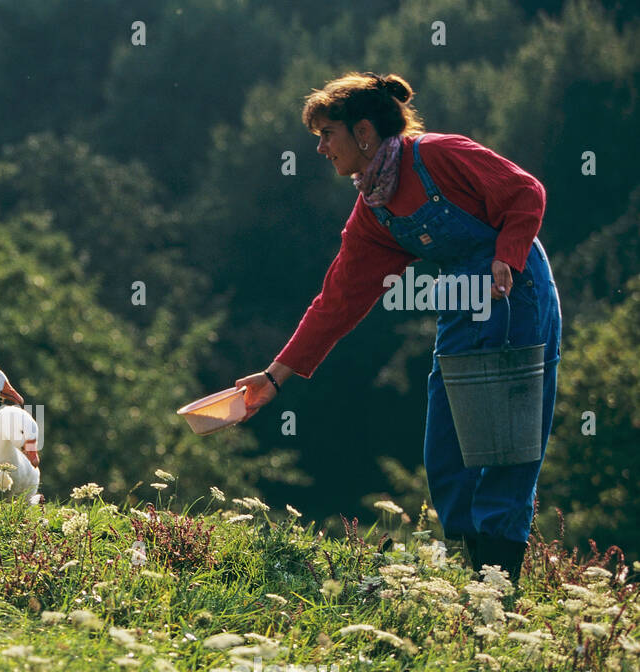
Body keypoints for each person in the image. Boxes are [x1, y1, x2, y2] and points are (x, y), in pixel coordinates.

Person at [236, 72, 561, 588]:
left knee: (505, 446)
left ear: (363, 132)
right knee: (447, 450)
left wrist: (508, 256)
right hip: (460, 309)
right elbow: (338, 300)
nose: (320, 148)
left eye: (327, 134)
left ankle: (501, 590)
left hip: (515, 297)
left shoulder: (438, 155)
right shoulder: (375, 208)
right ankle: (474, 581)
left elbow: (525, 192)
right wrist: (274, 378)